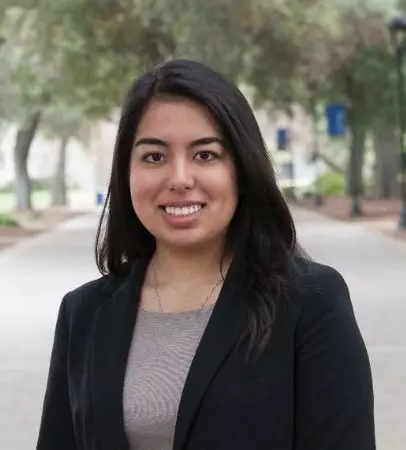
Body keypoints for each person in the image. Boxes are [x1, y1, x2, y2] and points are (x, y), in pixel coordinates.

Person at [36, 59, 375, 450]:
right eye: (154, 157)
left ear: (242, 169)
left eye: (205, 155)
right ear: (125, 173)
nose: (179, 179)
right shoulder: (83, 312)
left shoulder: (311, 301)